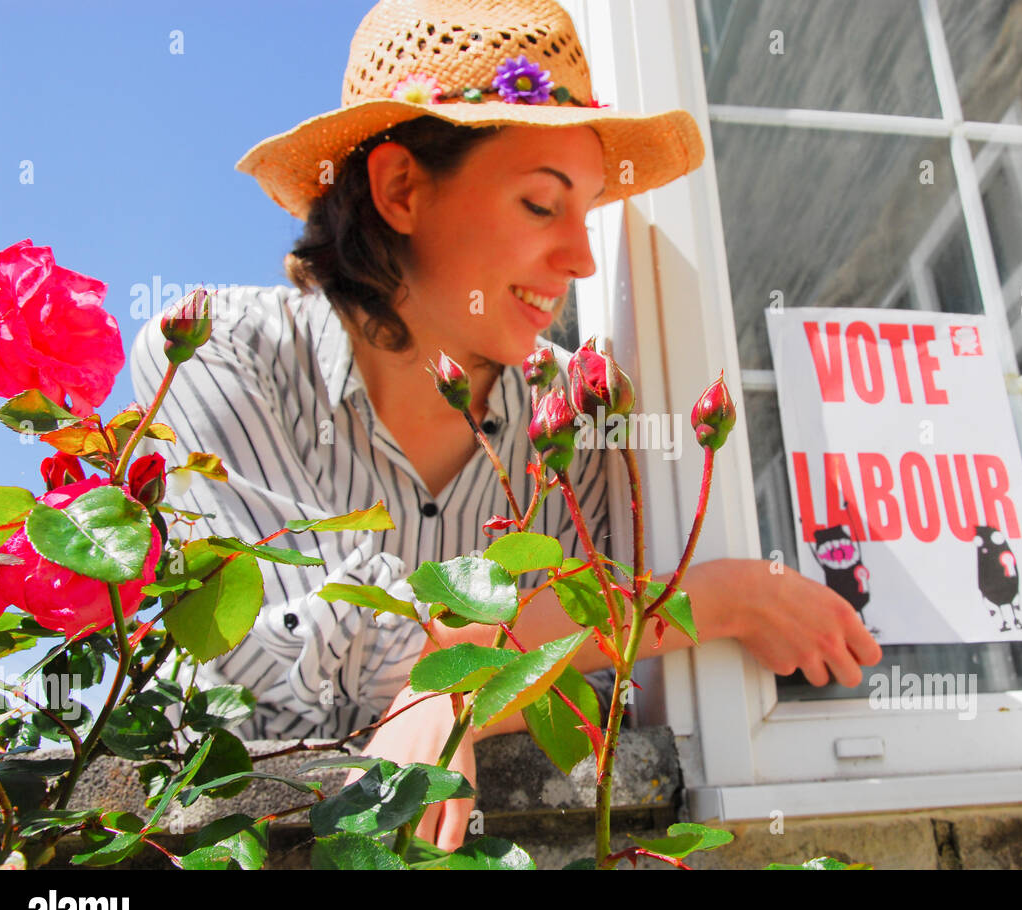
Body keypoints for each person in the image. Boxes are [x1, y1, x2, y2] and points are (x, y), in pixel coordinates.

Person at [129, 0, 881, 851]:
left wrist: (465, 678)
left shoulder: (575, 419)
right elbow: (290, 666)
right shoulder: (218, 355)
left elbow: (589, 689)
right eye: (539, 204)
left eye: (588, 211)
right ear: (401, 189)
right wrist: (716, 598)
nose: (583, 258)